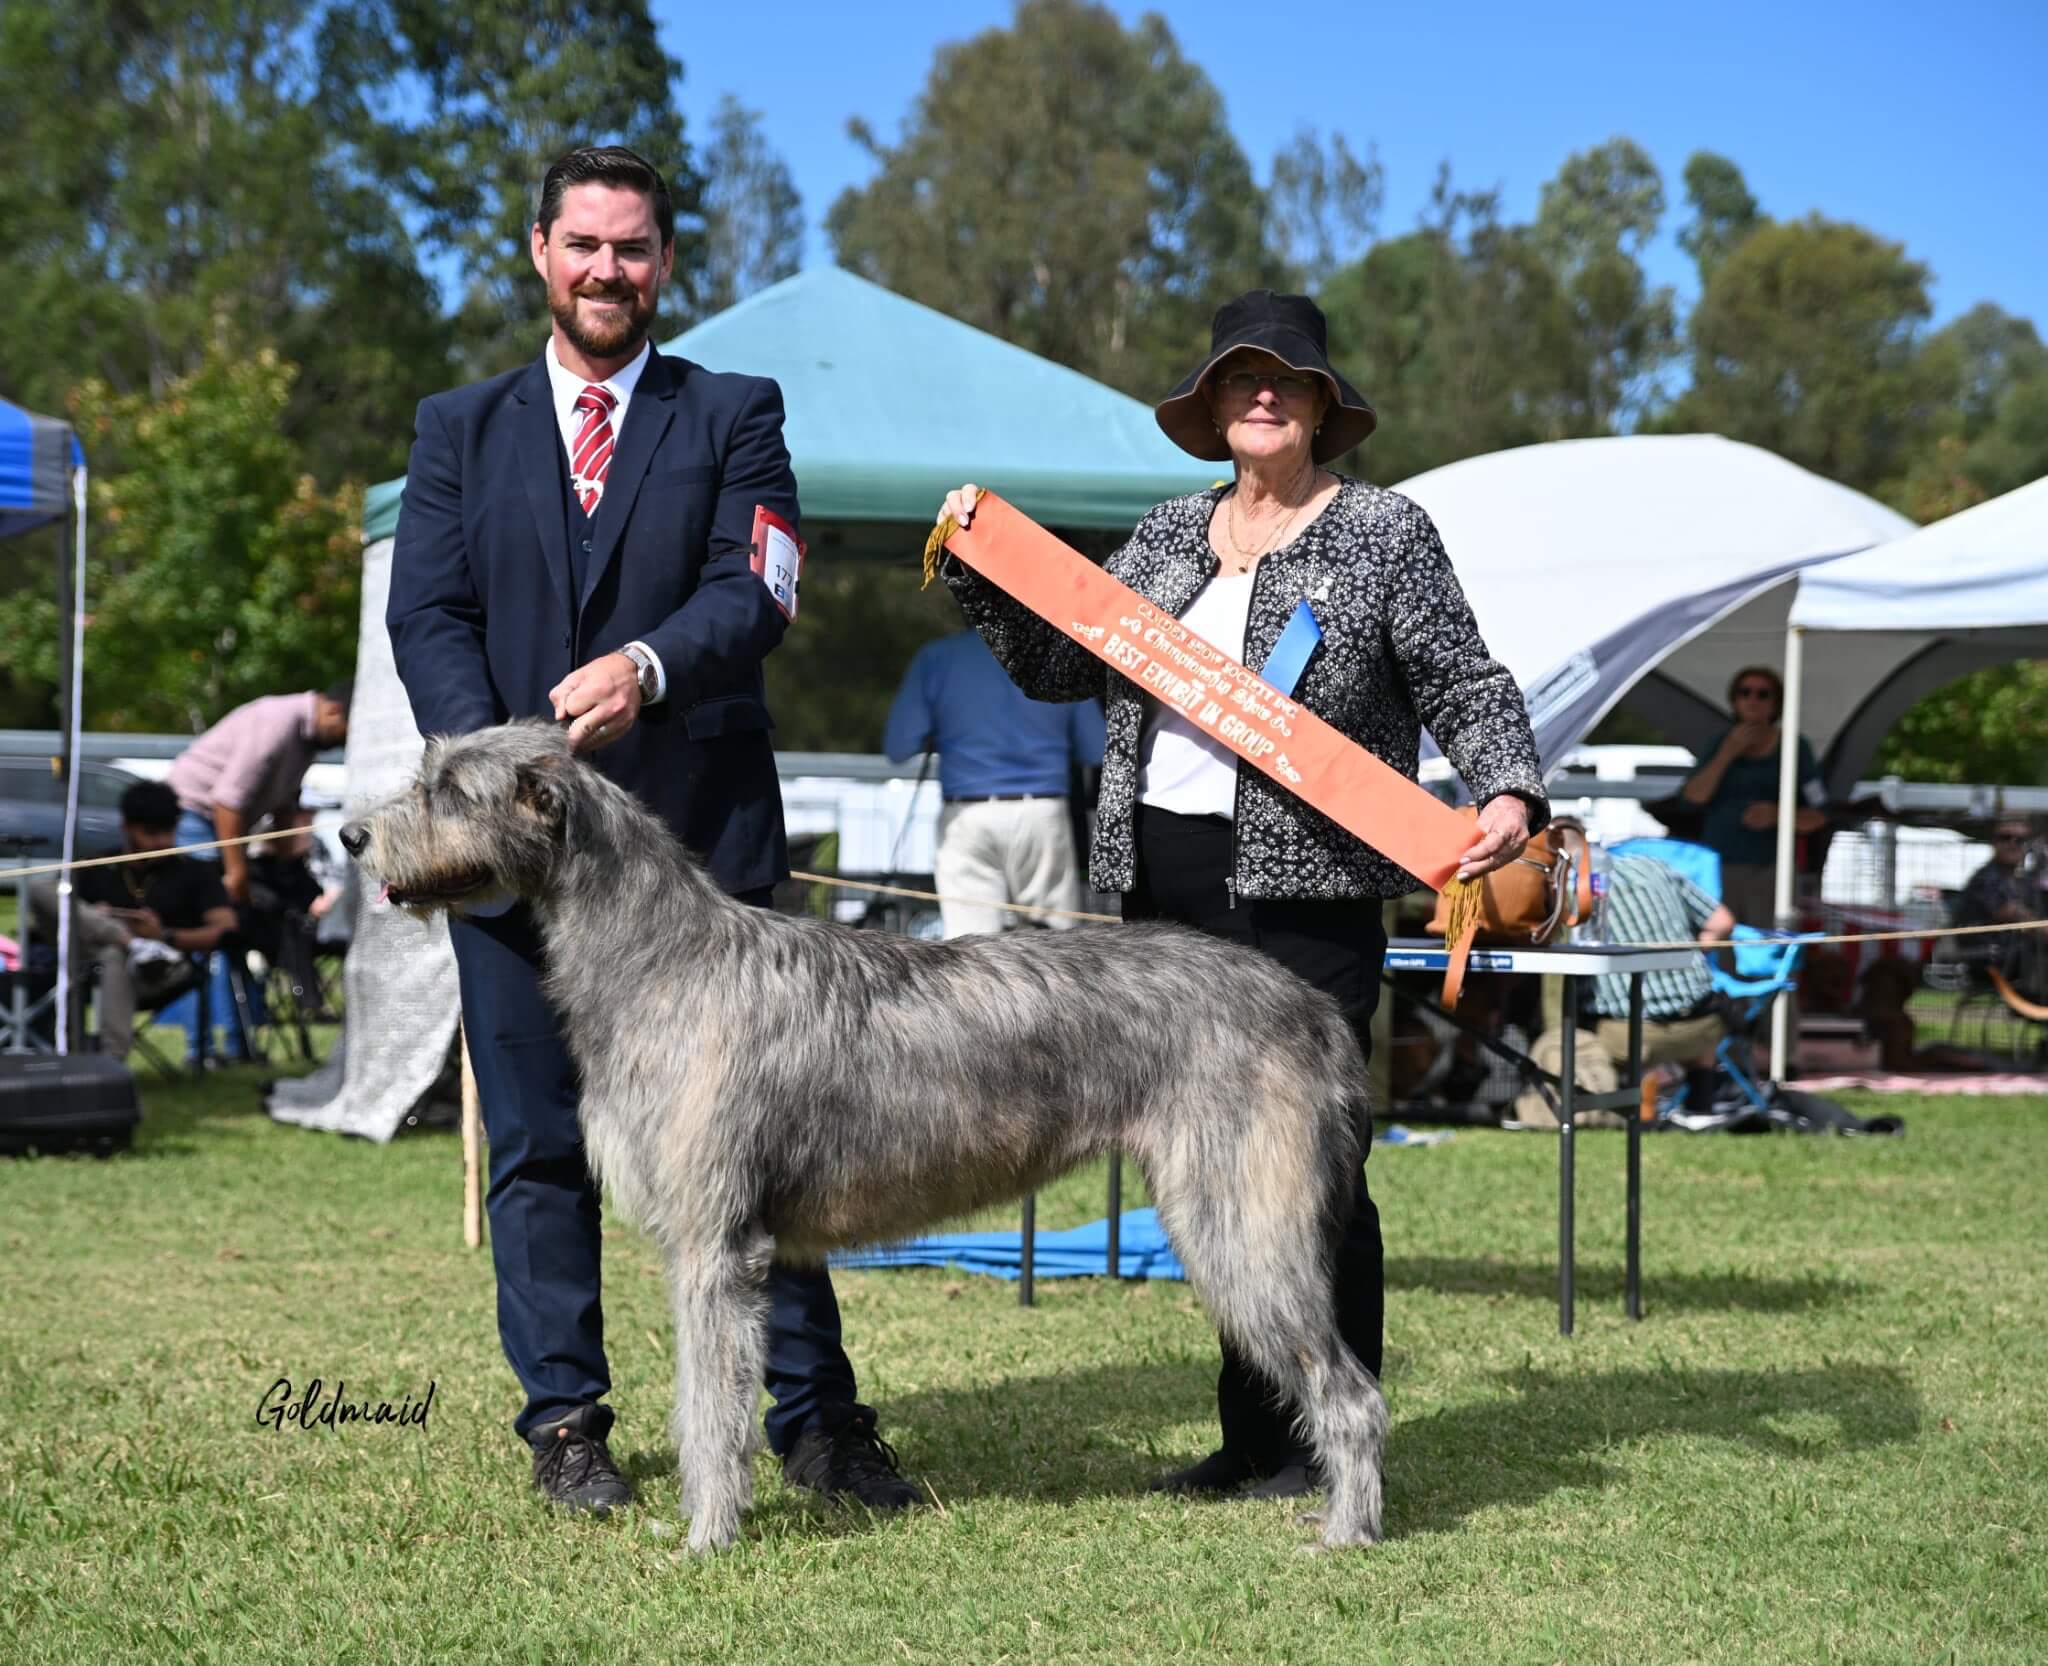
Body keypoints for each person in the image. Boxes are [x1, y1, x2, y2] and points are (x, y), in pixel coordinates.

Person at [934, 288, 1548, 1500]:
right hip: (1164, 893)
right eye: (1236, 377)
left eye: (1284, 379)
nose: (1259, 395)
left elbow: (1463, 681)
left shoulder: (1383, 532)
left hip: (1309, 893)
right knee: (1202, 1167)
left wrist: (1507, 791)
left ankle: (1332, 1438)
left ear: (1320, 403)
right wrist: (977, 565)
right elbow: (1060, 662)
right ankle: (1253, 1435)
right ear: (1210, 403)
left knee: (1311, 1164)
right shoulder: (1165, 533)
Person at [386, 144, 917, 1519]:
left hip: (703, 868)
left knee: (770, 1150)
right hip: (511, 866)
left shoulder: (733, 411)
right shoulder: (458, 427)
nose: (606, 270)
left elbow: (760, 587)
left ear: (666, 263)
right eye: (583, 244)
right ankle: (567, 1424)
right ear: (539, 252)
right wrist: (499, 773)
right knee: (536, 1148)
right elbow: (426, 613)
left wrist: (648, 666)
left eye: (632, 248)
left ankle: (817, 1421)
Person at [164, 679, 352, 1059]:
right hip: (193, 817)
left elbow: (284, 807)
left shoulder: (306, 741)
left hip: (224, 824)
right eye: (347, 731)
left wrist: (287, 864)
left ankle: (239, 1044)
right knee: (213, 928)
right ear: (333, 710)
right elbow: (227, 803)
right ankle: (205, 1050)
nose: (346, 742)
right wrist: (236, 874)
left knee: (234, 932)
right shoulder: (277, 723)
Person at [883, 630, 1105, 937]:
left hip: (967, 814)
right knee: (1056, 946)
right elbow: (1096, 748)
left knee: (971, 949)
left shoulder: (937, 658)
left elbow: (898, 747)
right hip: (1042, 813)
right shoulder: (1058, 654)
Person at [27, 781, 236, 1061]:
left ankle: (110, 1061)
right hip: (85, 964)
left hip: (163, 967)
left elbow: (226, 930)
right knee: (40, 888)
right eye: (151, 833)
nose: (161, 842)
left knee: (114, 955)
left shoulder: (195, 872)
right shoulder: (97, 866)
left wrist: (163, 935)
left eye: (168, 832)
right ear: (127, 827)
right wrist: (95, 915)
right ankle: (127, 941)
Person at [1552, 821, 1738, 1114]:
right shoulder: (1652, 866)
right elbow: (1723, 922)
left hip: (1632, 1038)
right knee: (1698, 1006)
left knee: (1567, 1027)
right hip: (1705, 1025)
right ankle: (1700, 1108)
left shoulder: (1562, 893)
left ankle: (1626, 1104)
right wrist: (1689, 955)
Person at [1677, 665, 1826, 928]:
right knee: (1717, 939)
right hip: (1717, 866)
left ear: (1776, 704)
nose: (1752, 700)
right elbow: (1693, 797)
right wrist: (1728, 753)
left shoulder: (1795, 748)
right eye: (1744, 692)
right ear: (1734, 701)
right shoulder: (1718, 744)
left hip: (1771, 870)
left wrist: (1778, 815)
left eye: (1763, 694)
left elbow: (1820, 813)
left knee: (1767, 942)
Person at [1953, 819, 2045, 994]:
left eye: (2021, 840)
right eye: (2005, 838)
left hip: (2017, 957)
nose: (2013, 844)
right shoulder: (1985, 878)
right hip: (1990, 957)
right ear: (1994, 842)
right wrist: (2042, 929)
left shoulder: (2022, 881)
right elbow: (2009, 912)